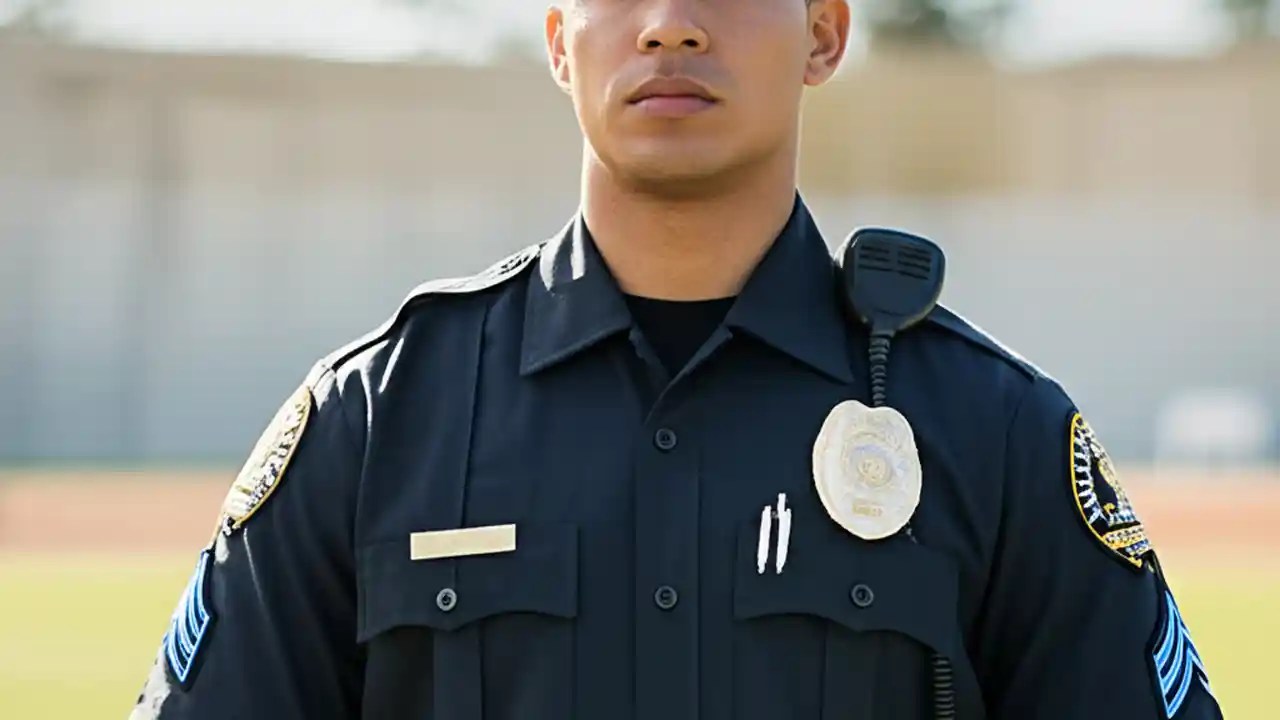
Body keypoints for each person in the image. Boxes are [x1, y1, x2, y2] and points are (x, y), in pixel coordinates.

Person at [131, 1, 1223, 718]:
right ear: (558, 37)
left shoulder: (992, 432)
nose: (666, 27)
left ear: (824, 32)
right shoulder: (375, 421)